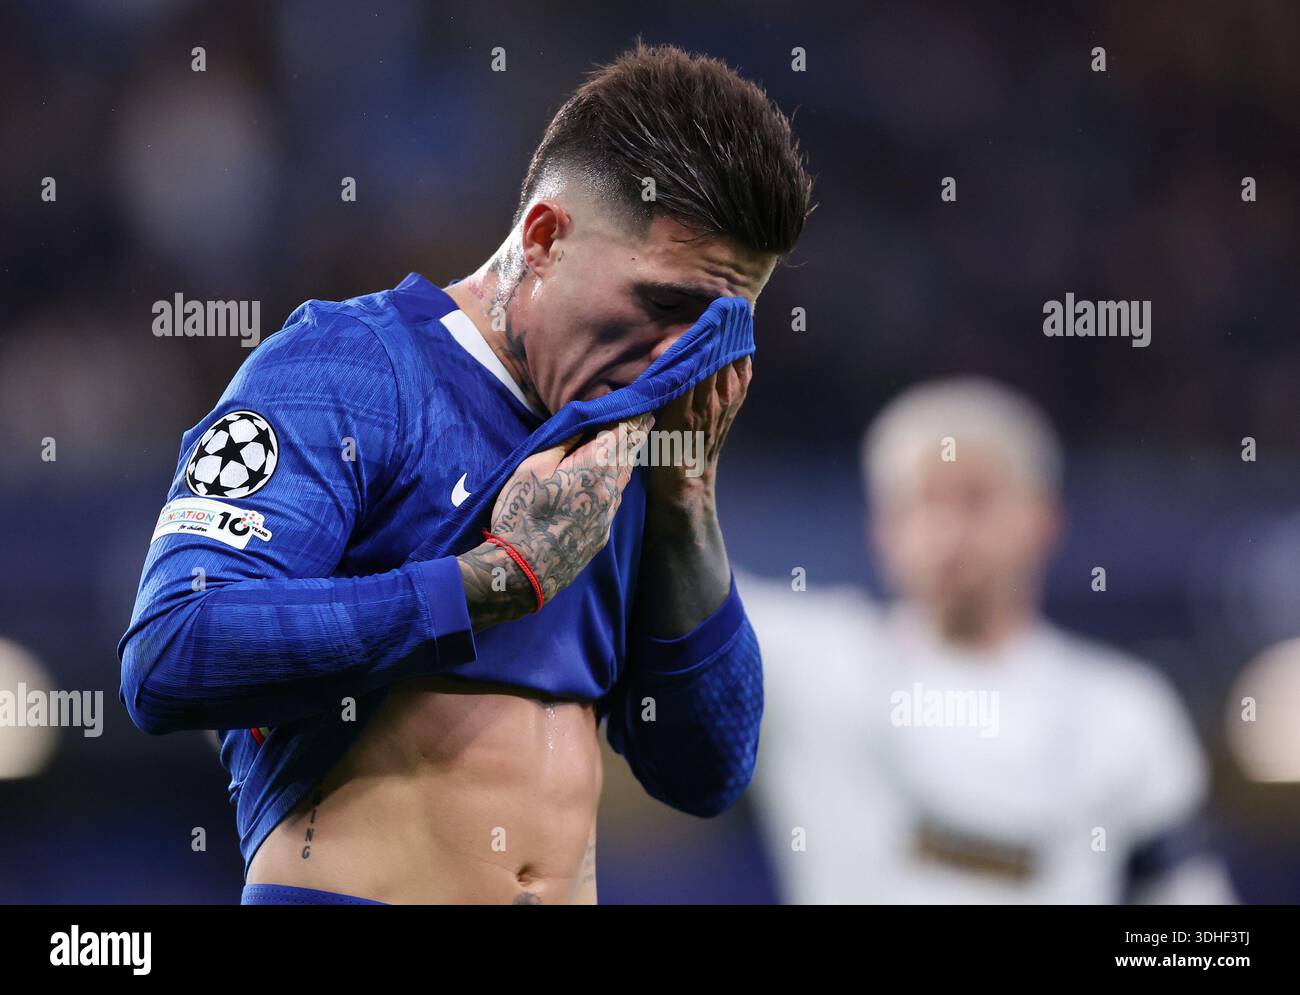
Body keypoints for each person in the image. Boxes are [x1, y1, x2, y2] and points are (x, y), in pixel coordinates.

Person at [118, 42, 812, 904]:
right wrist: (492, 581)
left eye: (715, 330)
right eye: (662, 304)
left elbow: (705, 770)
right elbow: (173, 651)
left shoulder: (626, 437)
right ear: (546, 237)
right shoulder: (352, 369)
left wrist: (685, 496)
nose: (675, 361)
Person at [740, 377, 1235, 904]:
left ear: (1043, 518)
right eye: (919, 504)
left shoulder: (1126, 710)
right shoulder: (812, 662)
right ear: (880, 528)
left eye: (975, 501)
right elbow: (676, 579)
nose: (947, 533)